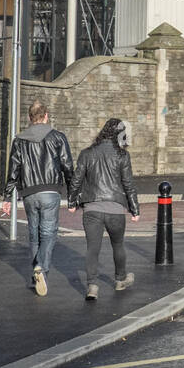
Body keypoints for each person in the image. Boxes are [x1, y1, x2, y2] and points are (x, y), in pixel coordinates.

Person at [2, 99, 74, 296]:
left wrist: (7, 196)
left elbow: (13, 169)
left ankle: (36, 276)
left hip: (29, 193)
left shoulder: (19, 140)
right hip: (50, 191)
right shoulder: (58, 137)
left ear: (29, 117)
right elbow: (67, 166)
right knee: (49, 234)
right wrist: (73, 193)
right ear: (46, 116)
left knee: (34, 234)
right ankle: (41, 267)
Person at [68, 118, 140, 301]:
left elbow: (76, 180)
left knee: (92, 248)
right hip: (115, 208)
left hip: (92, 208)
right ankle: (120, 279)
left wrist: (71, 202)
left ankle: (92, 286)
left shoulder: (87, 153)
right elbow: (128, 184)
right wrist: (135, 209)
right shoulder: (123, 156)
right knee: (118, 244)